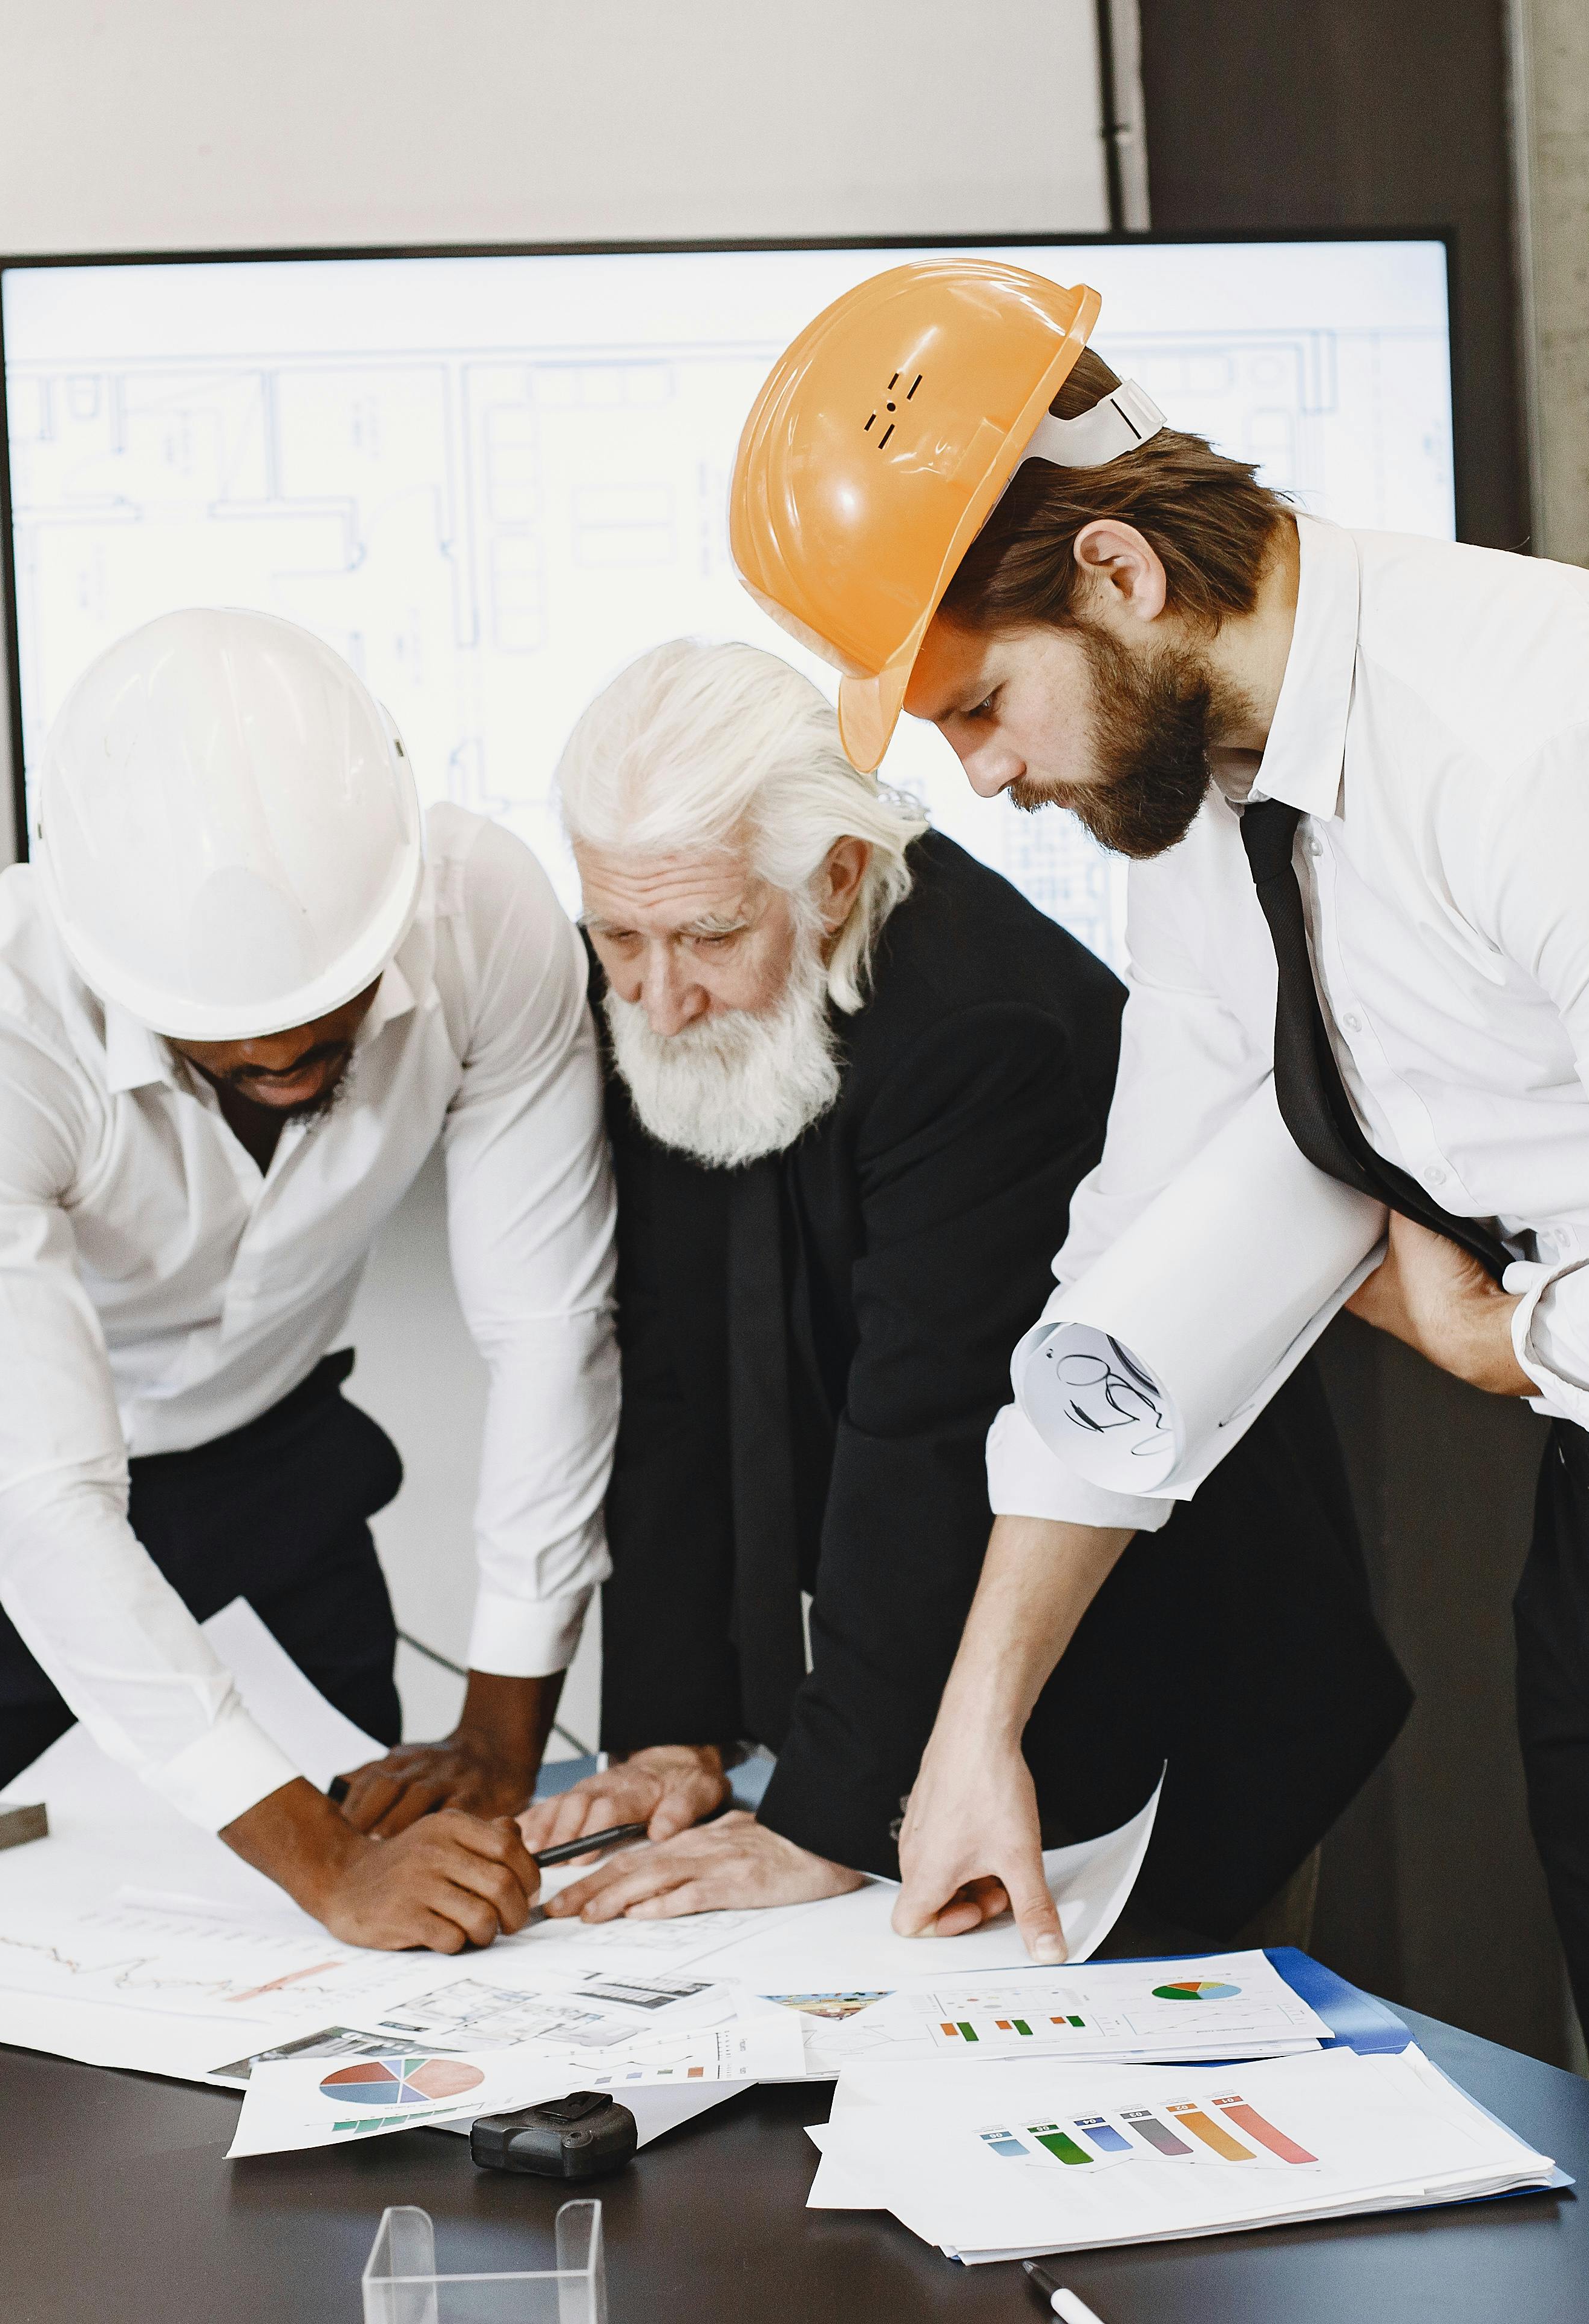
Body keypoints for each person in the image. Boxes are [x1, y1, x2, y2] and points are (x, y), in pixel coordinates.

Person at [722, 261, 1589, 2182]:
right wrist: (978, 1731)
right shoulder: (1209, 807)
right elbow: (1141, 1289)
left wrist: (1492, 1342)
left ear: (1115, 572)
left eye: (979, 705)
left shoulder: (1574, 744)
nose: (990, 777)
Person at [517, 638, 1405, 1948]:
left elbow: (928, 1433)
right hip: (960, 1673)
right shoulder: (677, 995)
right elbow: (678, 1375)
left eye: (703, 934)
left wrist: (821, 1820)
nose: (654, 993)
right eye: (617, 936)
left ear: (834, 876)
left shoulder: (982, 1028)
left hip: (1169, 1684)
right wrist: (671, 1728)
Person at [0, 608, 616, 1953]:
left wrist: (498, 1734)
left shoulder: (484, 914)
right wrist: (322, 1870)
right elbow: (49, 1504)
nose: (293, 1054)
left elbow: (552, 1329)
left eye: (334, 1004)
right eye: (233, 1038)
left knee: (381, 1973)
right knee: (1, 1972)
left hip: (272, 1463)